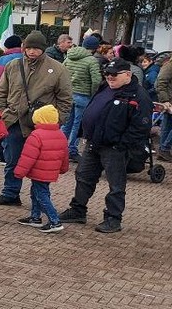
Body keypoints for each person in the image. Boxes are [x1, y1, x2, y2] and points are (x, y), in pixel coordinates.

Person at [59, 59, 152, 234]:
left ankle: (113, 218)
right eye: (107, 74)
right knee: (83, 176)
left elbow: (141, 126)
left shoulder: (139, 96)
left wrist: (121, 145)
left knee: (116, 184)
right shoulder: (105, 87)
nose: (109, 77)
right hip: (94, 142)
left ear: (127, 75)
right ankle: (78, 210)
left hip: (115, 148)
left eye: (114, 74)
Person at [0, 31, 73, 209]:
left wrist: (56, 122)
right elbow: (2, 92)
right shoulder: (13, 65)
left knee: (40, 165)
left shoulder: (58, 69)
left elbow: (65, 99)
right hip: (15, 121)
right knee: (12, 159)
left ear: (43, 49)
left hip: (42, 125)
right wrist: (4, 113)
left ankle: (39, 199)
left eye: (36, 48)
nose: (32, 52)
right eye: (29, 48)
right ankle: (10, 192)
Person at [13, 105, 70, 232]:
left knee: (41, 195)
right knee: (38, 192)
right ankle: (35, 217)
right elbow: (64, 155)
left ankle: (54, 221)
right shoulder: (61, 135)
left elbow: (28, 157)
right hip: (50, 172)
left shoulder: (36, 135)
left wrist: (19, 172)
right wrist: (63, 168)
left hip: (39, 172)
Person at [62, 37, 102, 163]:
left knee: (66, 124)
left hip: (69, 94)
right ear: (95, 47)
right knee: (78, 125)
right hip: (84, 96)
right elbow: (96, 80)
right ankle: (72, 150)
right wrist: (93, 94)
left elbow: (61, 73)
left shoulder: (69, 57)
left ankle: (60, 149)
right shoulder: (92, 60)